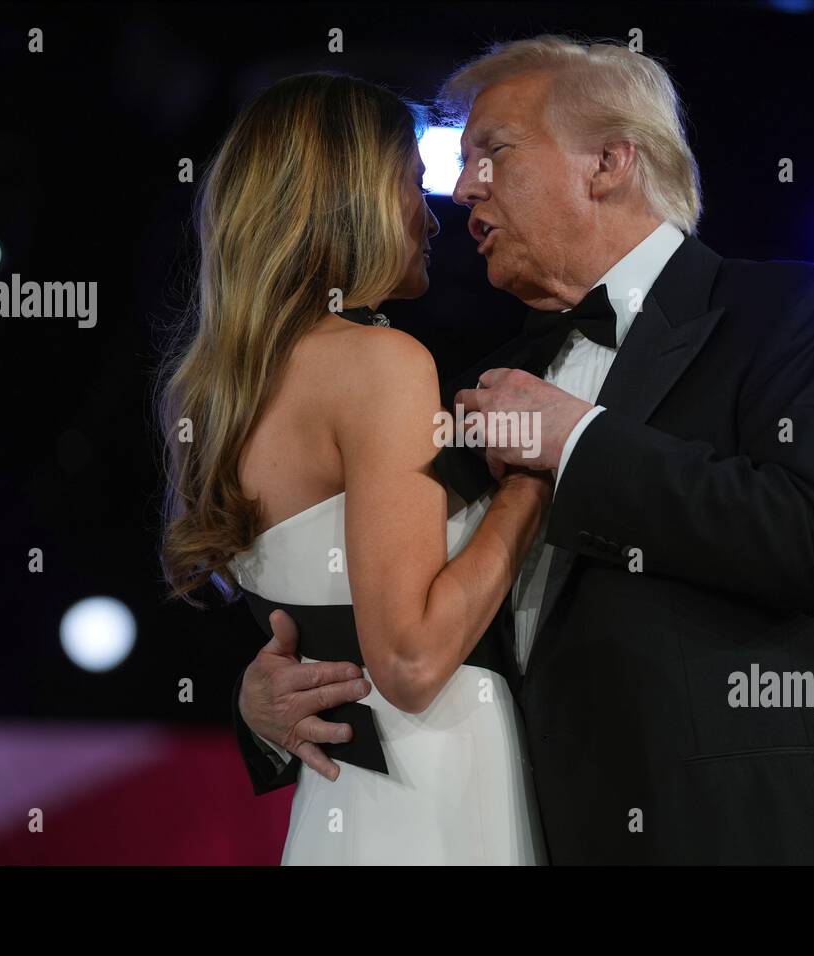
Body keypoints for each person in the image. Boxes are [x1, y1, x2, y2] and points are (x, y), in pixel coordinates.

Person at [234, 37, 814, 864]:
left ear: (608, 161)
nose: (461, 191)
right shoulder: (480, 388)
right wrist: (267, 708)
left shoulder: (797, 315)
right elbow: (424, 632)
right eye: (461, 167)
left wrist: (577, 443)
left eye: (491, 154)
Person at [159, 72, 551, 864]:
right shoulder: (379, 363)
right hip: (438, 786)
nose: (434, 214)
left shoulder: (225, 386)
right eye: (412, 182)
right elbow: (408, 661)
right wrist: (529, 486)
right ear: (352, 199)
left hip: (349, 804)